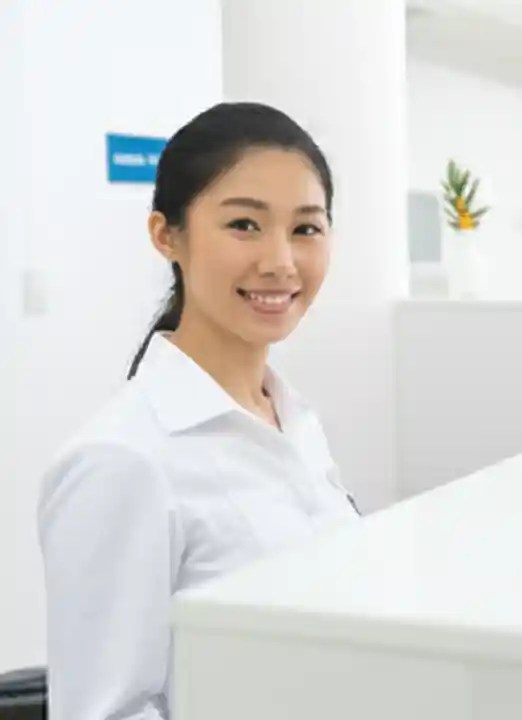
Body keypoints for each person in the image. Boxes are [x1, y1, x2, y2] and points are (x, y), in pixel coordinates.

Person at [38, 103, 359, 720]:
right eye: (244, 225)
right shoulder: (121, 460)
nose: (280, 262)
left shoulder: (294, 422)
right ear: (167, 235)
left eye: (306, 228)